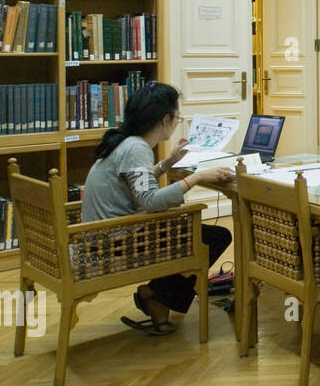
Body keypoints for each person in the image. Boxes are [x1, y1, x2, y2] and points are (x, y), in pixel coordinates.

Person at [82, 83, 234, 335]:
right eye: (178, 117)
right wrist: (197, 178)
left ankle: (157, 296)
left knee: (191, 232)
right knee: (214, 237)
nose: (177, 121)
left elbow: (134, 184)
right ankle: (154, 295)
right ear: (166, 119)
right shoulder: (137, 149)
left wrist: (167, 163)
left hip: (103, 233)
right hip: (116, 240)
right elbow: (149, 200)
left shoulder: (126, 142)